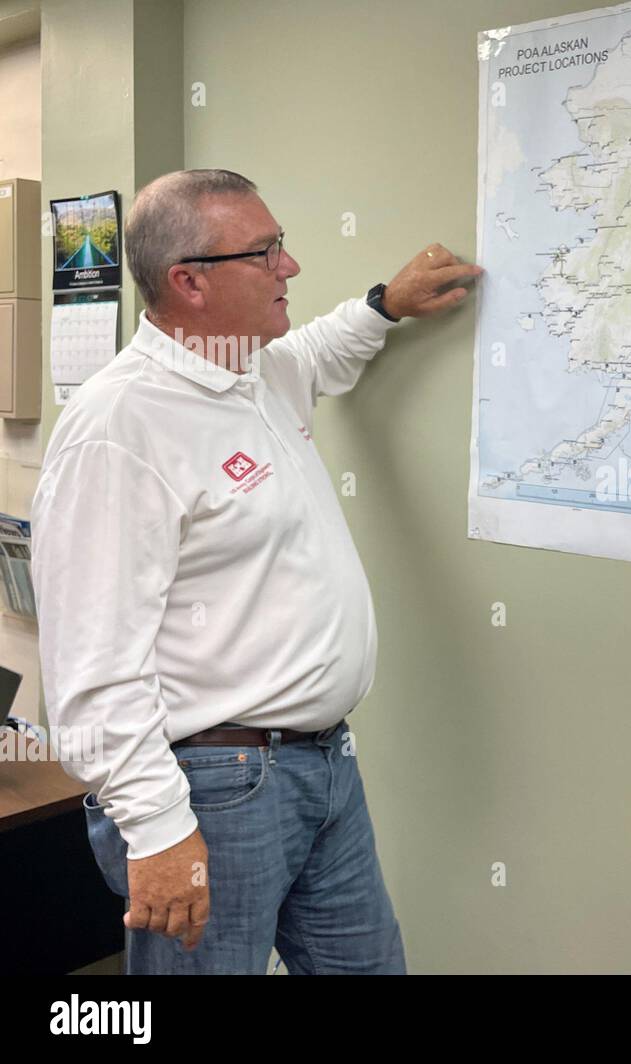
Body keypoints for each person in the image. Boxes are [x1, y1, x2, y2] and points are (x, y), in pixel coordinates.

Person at [32, 168, 483, 974]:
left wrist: (384, 305)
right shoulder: (120, 425)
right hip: (210, 788)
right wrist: (159, 830)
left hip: (323, 769)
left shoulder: (255, 371)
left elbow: (317, 353)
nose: (291, 267)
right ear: (189, 283)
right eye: (267, 251)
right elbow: (92, 671)